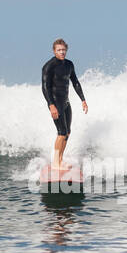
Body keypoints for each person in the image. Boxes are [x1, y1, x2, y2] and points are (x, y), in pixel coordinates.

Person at [41, 38, 88, 170]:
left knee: (67, 133)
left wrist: (83, 100)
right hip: (55, 103)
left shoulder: (69, 65)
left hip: (66, 103)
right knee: (61, 132)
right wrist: (51, 105)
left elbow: (75, 82)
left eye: (63, 50)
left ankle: (60, 160)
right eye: (59, 50)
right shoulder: (49, 66)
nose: (62, 52)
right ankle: (56, 163)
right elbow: (45, 87)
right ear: (54, 51)